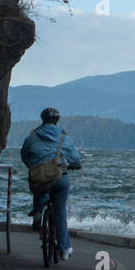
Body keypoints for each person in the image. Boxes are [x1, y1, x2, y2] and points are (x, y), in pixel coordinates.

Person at [20, 107, 82, 261]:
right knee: (60, 212)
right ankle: (65, 249)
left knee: (39, 187)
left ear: (42, 119)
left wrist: (33, 164)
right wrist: (76, 164)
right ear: (57, 120)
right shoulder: (63, 136)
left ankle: (38, 210)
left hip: (39, 175)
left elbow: (24, 154)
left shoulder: (33, 136)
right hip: (60, 175)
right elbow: (74, 158)